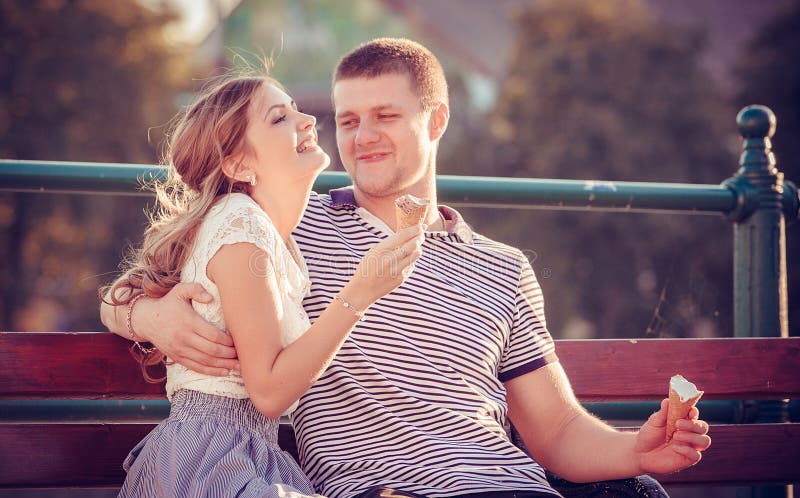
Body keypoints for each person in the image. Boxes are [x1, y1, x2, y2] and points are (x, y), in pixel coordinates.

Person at [102, 38, 711, 498]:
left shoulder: (502, 266)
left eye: (385, 116)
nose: (362, 137)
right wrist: (148, 314)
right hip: (383, 488)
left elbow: (554, 431)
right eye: (348, 120)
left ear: (436, 120)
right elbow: (139, 284)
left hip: (509, 484)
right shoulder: (290, 230)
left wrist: (637, 449)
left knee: (637, 493)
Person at [101, 73, 425, 497]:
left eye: (296, 108)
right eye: (280, 118)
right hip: (209, 458)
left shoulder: (270, 231)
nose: (307, 120)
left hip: (250, 449)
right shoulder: (240, 223)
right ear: (238, 164)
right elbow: (270, 392)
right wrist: (360, 292)